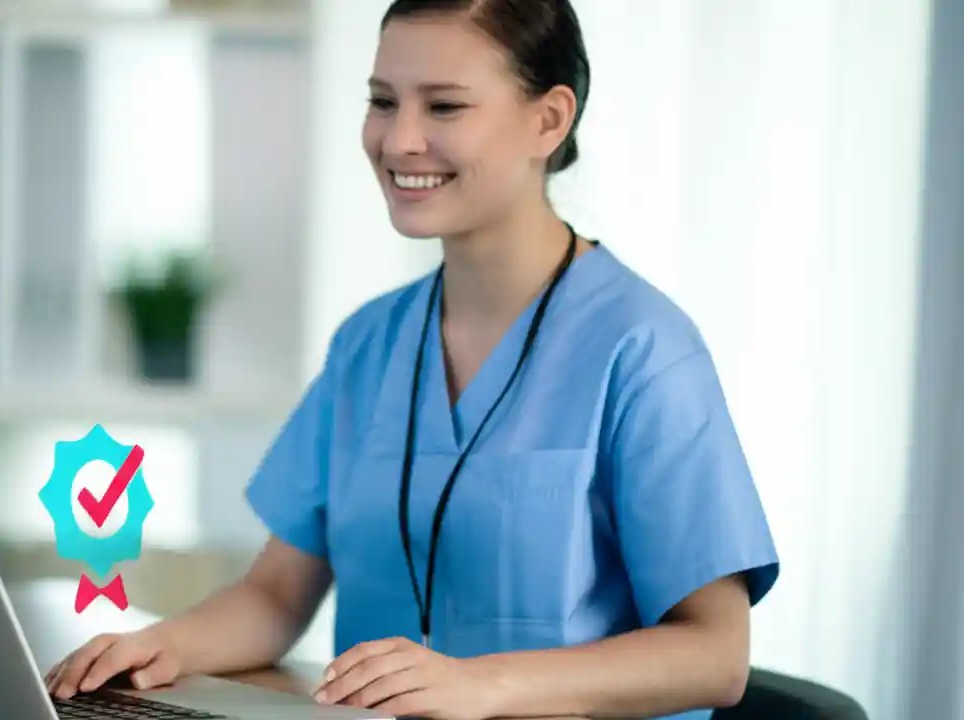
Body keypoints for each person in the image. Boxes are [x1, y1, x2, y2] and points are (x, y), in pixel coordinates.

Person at [47, 1, 780, 718]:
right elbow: (275, 596)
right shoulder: (369, 343)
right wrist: (157, 646)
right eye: (382, 101)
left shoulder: (644, 349)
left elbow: (714, 654)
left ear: (549, 119)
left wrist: (481, 687)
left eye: (445, 107)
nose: (399, 141)